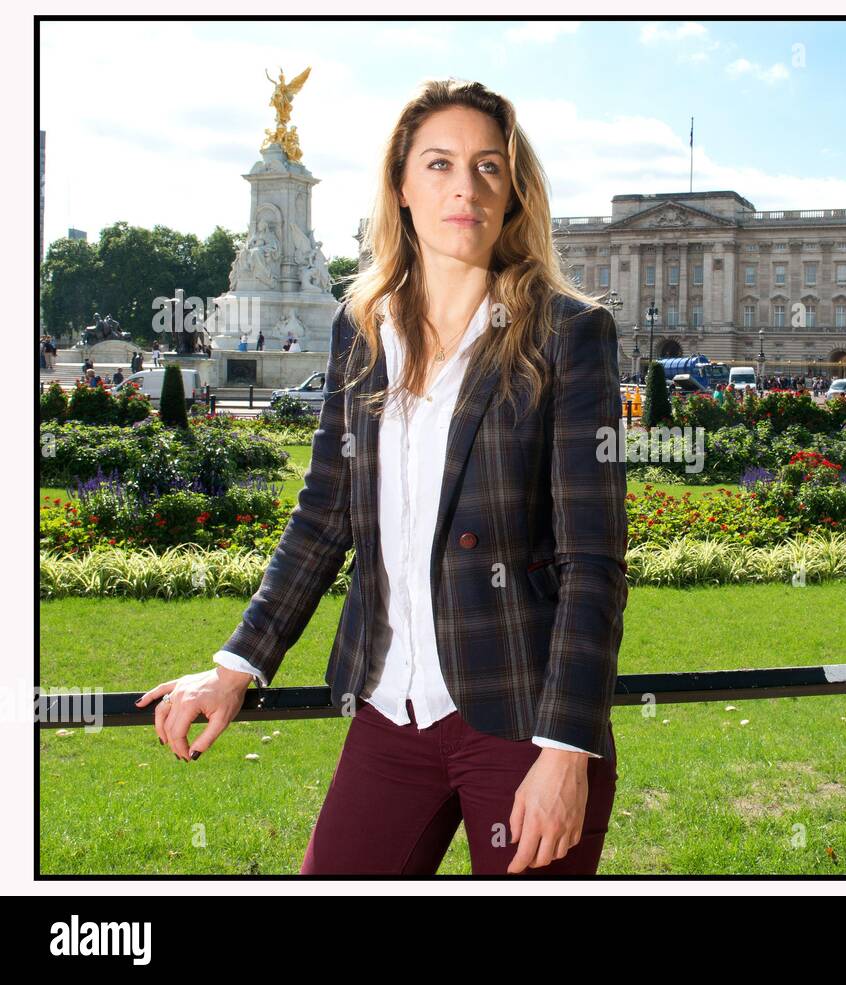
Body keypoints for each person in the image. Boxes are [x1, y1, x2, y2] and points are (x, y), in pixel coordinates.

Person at [135, 78, 626, 877]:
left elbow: (593, 564)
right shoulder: (360, 329)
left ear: (514, 192)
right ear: (400, 186)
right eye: (438, 164)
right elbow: (323, 516)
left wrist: (567, 749)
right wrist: (236, 666)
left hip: (524, 717)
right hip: (389, 712)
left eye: (487, 166)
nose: (463, 187)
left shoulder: (569, 333)